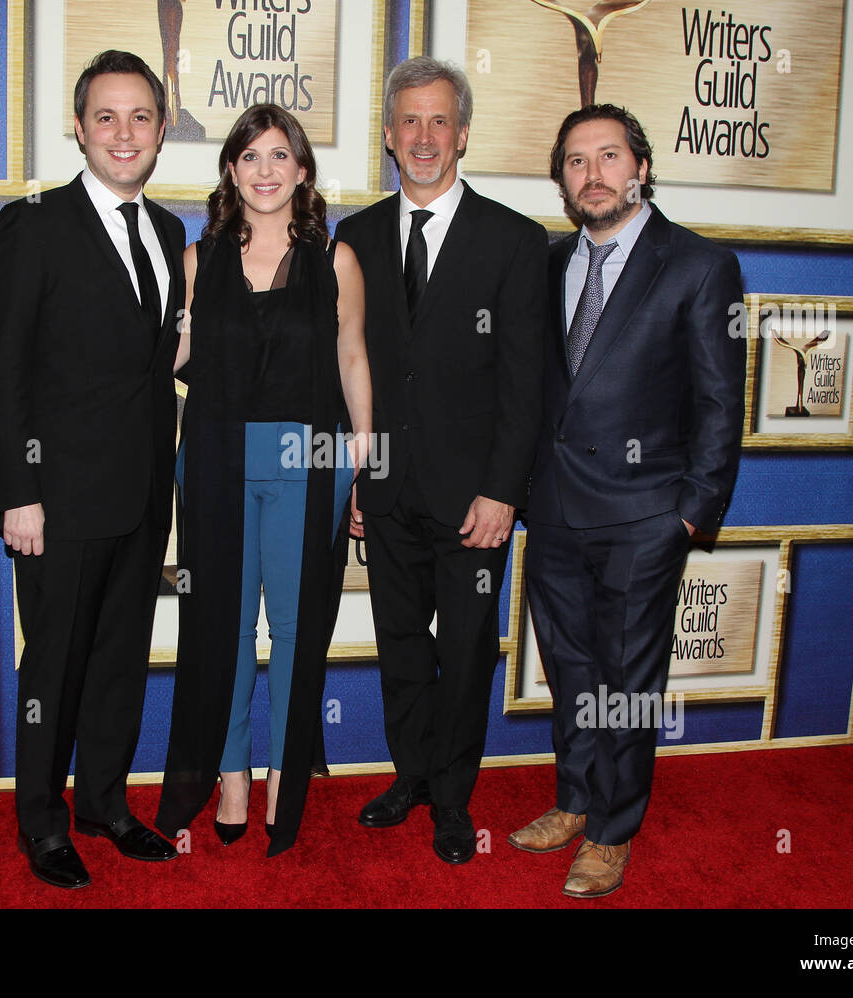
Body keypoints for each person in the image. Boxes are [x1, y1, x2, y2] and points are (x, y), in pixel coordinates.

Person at [510, 104, 745, 898]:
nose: (593, 174)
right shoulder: (545, 263)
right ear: (563, 179)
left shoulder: (699, 266)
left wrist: (689, 514)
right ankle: (576, 799)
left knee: (625, 683)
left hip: (645, 519)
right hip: (554, 515)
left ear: (640, 167)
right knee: (572, 672)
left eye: (609, 156)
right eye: (576, 162)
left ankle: (613, 830)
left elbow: (720, 404)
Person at [334, 58, 547, 865]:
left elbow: (528, 386)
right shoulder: (351, 240)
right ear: (389, 136)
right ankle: (412, 774)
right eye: (408, 123)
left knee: (464, 652)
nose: (424, 138)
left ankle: (453, 799)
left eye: (438, 122)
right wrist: (356, 471)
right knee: (399, 646)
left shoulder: (516, 241)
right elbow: (344, 368)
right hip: (385, 494)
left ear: (462, 132)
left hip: (473, 503)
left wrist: (503, 492)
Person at [0, 50, 184, 889]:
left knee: (118, 660)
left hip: (141, 495)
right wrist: (16, 494)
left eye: (141, 117)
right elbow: (4, 370)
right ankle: (42, 821)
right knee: (53, 666)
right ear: (79, 126)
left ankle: (104, 803)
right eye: (107, 116)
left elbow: (157, 362)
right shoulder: (33, 225)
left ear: (162, 129)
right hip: (56, 500)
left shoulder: (171, 232)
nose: (124, 133)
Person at [154, 104, 372, 857]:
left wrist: (364, 461)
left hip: (309, 461)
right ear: (231, 170)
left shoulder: (336, 259)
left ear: (303, 170)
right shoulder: (195, 258)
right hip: (214, 459)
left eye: (280, 156)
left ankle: (285, 773)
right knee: (223, 629)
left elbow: (351, 359)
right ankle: (232, 773)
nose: (266, 170)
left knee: (296, 628)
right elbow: (176, 359)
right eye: (251, 156)